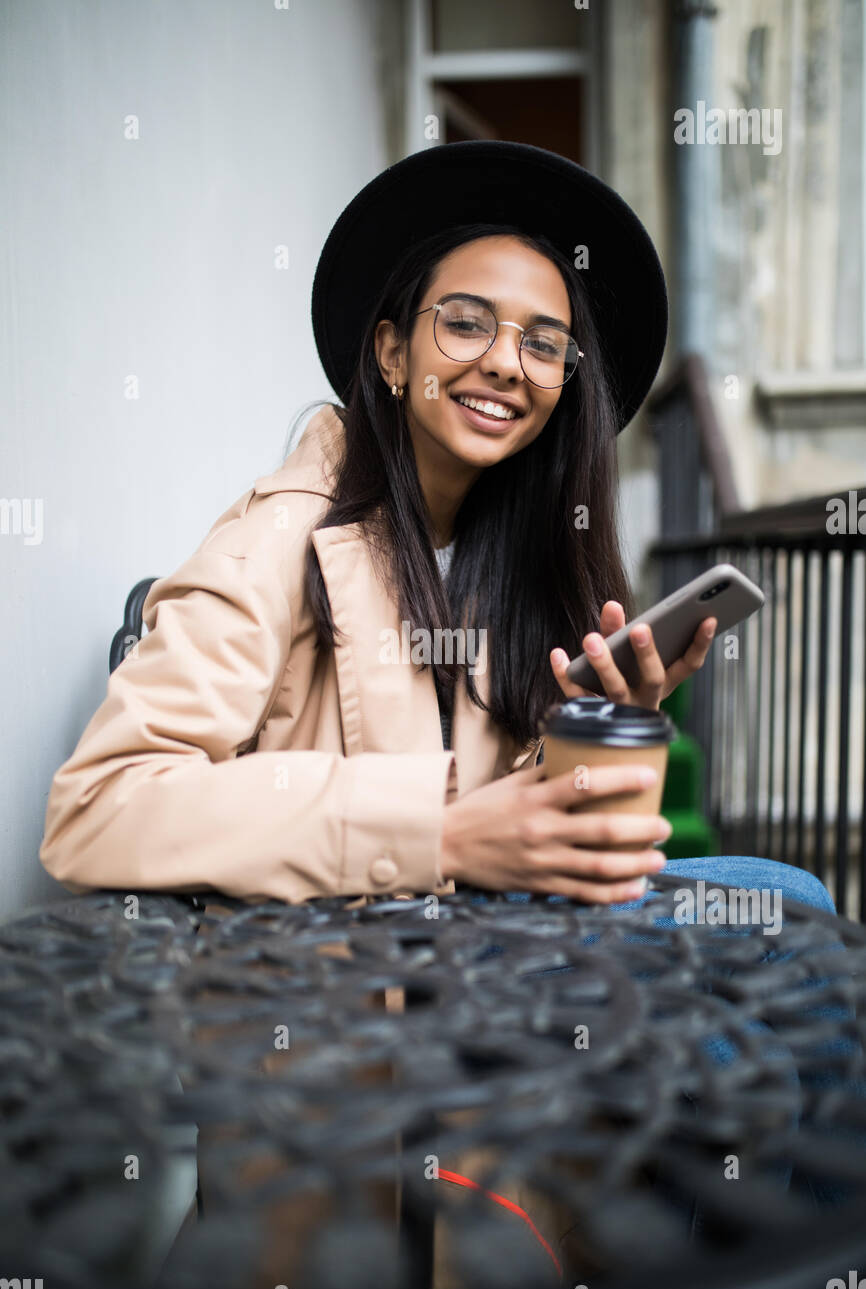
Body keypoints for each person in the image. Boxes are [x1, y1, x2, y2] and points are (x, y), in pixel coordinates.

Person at [38, 140, 832, 920]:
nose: (506, 363)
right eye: (466, 323)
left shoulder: (516, 554)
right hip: (337, 984)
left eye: (543, 344)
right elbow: (96, 810)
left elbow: (514, 821)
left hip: (480, 948)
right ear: (392, 351)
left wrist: (605, 730)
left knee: (792, 901)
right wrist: (434, 834)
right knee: (784, 926)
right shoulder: (281, 538)